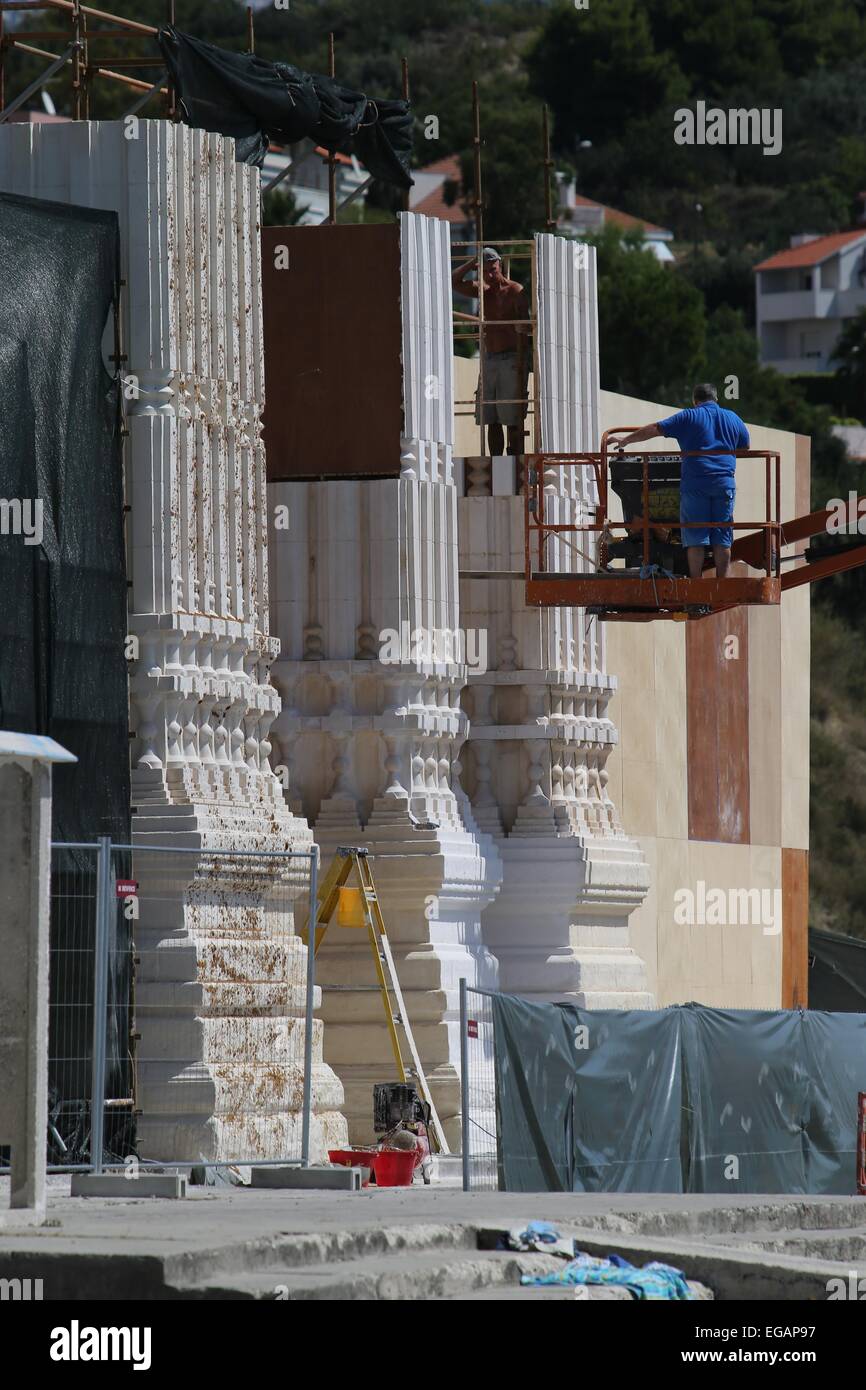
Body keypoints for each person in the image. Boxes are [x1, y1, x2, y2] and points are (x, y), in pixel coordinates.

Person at [614, 384, 749, 579]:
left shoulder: (689, 416)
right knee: (722, 539)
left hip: (695, 485)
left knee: (695, 539)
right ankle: (723, 585)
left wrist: (625, 440)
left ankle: (695, 586)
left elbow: (655, 428)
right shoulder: (732, 418)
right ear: (716, 399)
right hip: (723, 484)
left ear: (695, 401)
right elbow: (745, 446)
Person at [452, 247, 530, 458]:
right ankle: (496, 463)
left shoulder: (516, 291)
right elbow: (452, 281)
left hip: (512, 358)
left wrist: (521, 330)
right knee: (490, 418)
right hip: (489, 359)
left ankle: (514, 460)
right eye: (485, 271)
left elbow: (528, 327)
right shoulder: (482, 291)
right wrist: (472, 263)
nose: (489, 275)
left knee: (512, 416)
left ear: (500, 266)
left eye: (493, 269)